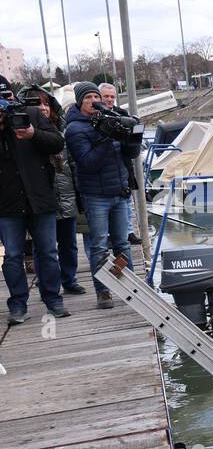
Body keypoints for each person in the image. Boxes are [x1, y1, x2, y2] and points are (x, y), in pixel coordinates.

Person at [0, 77, 69, 325]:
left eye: (7, 97)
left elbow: (57, 142)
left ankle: (54, 300)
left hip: (39, 198)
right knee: (12, 256)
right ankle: (18, 304)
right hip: (7, 203)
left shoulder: (31, 113)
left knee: (49, 252)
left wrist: (32, 133)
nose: (6, 104)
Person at [64, 81, 139, 309]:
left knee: (122, 244)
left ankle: (131, 288)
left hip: (119, 190)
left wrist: (131, 135)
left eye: (95, 96)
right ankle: (103, 291)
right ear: (79, 102)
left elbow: (130, 154)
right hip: (96, 196)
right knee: (98, 246)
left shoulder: (110, 118)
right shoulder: (75, 129)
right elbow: (87, 163)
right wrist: (106, 136)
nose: (94, 101)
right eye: (87, 98)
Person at [24, 87, 83, 296]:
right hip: (41, 199)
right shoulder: (23, 134)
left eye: (46, 103)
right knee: (44, 247)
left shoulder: (61, 130)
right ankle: (45, 282)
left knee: (69, 243)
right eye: (37, 104)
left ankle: (69, 279)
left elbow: (73, 164)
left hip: (65, 194)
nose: (42, 108)